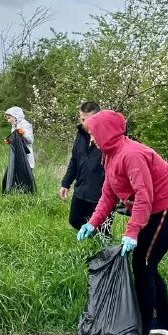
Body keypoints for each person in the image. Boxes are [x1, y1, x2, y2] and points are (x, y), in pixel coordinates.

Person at [77, 110, 168, 335]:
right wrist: (93, 222)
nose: (92, 139)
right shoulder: (110, 154)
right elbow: (108, 194)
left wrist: (132, 231)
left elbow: (143, 196)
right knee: (146, 265)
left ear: (106, 133)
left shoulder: (132, 154)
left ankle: (145, 329)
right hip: (156, 211)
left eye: (95, 134)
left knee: (143, 265)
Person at [60, 101, 112, 235]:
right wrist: (66, 183)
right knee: (74, 220)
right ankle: (89, 239)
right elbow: (74, 159)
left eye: (88, 119)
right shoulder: (81, 134)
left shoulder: (109, 136)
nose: (85, 123)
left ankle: (104, 250)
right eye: (82, 119)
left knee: (102, 231)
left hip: (101, 194)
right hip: (81, 189)